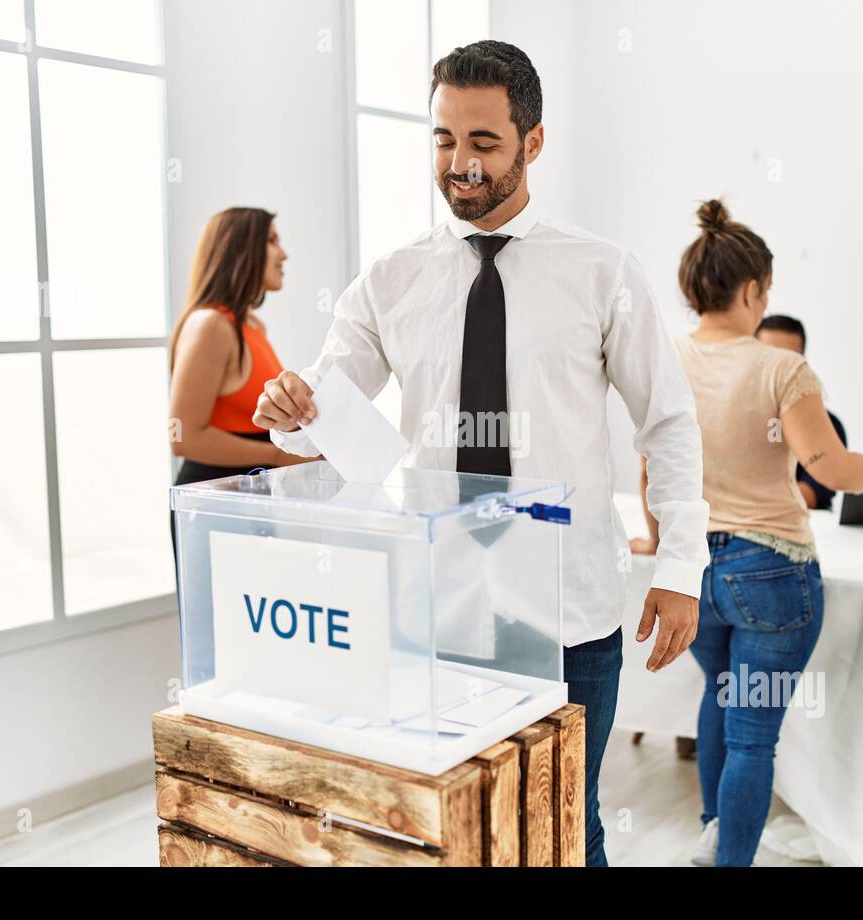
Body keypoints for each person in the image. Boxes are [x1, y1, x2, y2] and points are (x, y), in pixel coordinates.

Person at [253, 41, 710, 867]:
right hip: (440, 606)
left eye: (483, 143)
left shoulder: (603, 272)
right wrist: (290, 409)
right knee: (454, 826)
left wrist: (682, 564)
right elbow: (323, 401)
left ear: (533, 142)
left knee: (567, 822)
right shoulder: (391, 279)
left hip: (570, 611)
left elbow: (668, 422)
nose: (459, 164)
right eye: (442, 140)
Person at [629, 199, 863, 866]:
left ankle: (711, 836)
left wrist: (657, 542)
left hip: (695, 570)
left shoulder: (664, 360)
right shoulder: (781, 368)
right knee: (753, 735)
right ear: (754, 289)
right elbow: (829, 467)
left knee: (719, 695)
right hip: (771, 571)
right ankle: (731, 858)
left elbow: (650, 472)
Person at [168, 209, 311, 548]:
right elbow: (183, 437)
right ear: (240, 248)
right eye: (272, 240)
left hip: (252, 497)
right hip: (211, 503)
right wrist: (280, 457)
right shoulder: (211, 326)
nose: (284, 254)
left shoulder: (253, 327)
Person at [755, 314, 847, 510]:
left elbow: (813, 492)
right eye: (769, 357)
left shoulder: (826, 424)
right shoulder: (731, 415)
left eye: (788, 360)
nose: (778, 369)